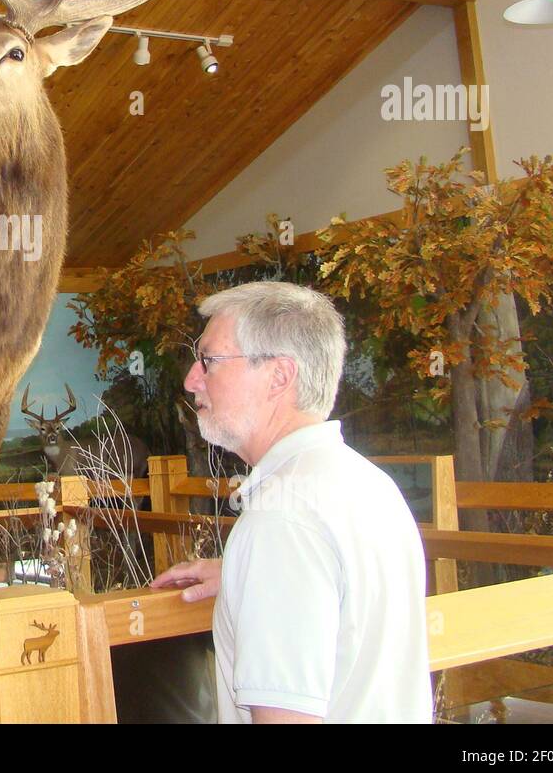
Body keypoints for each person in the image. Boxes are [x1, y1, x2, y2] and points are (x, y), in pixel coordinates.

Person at [151, 281, 432, 723]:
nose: (191, 379)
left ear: (279, 376)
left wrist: (268, 564)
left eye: (209, 360)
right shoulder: (369, 484)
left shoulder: (282, 520)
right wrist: (250, 580)